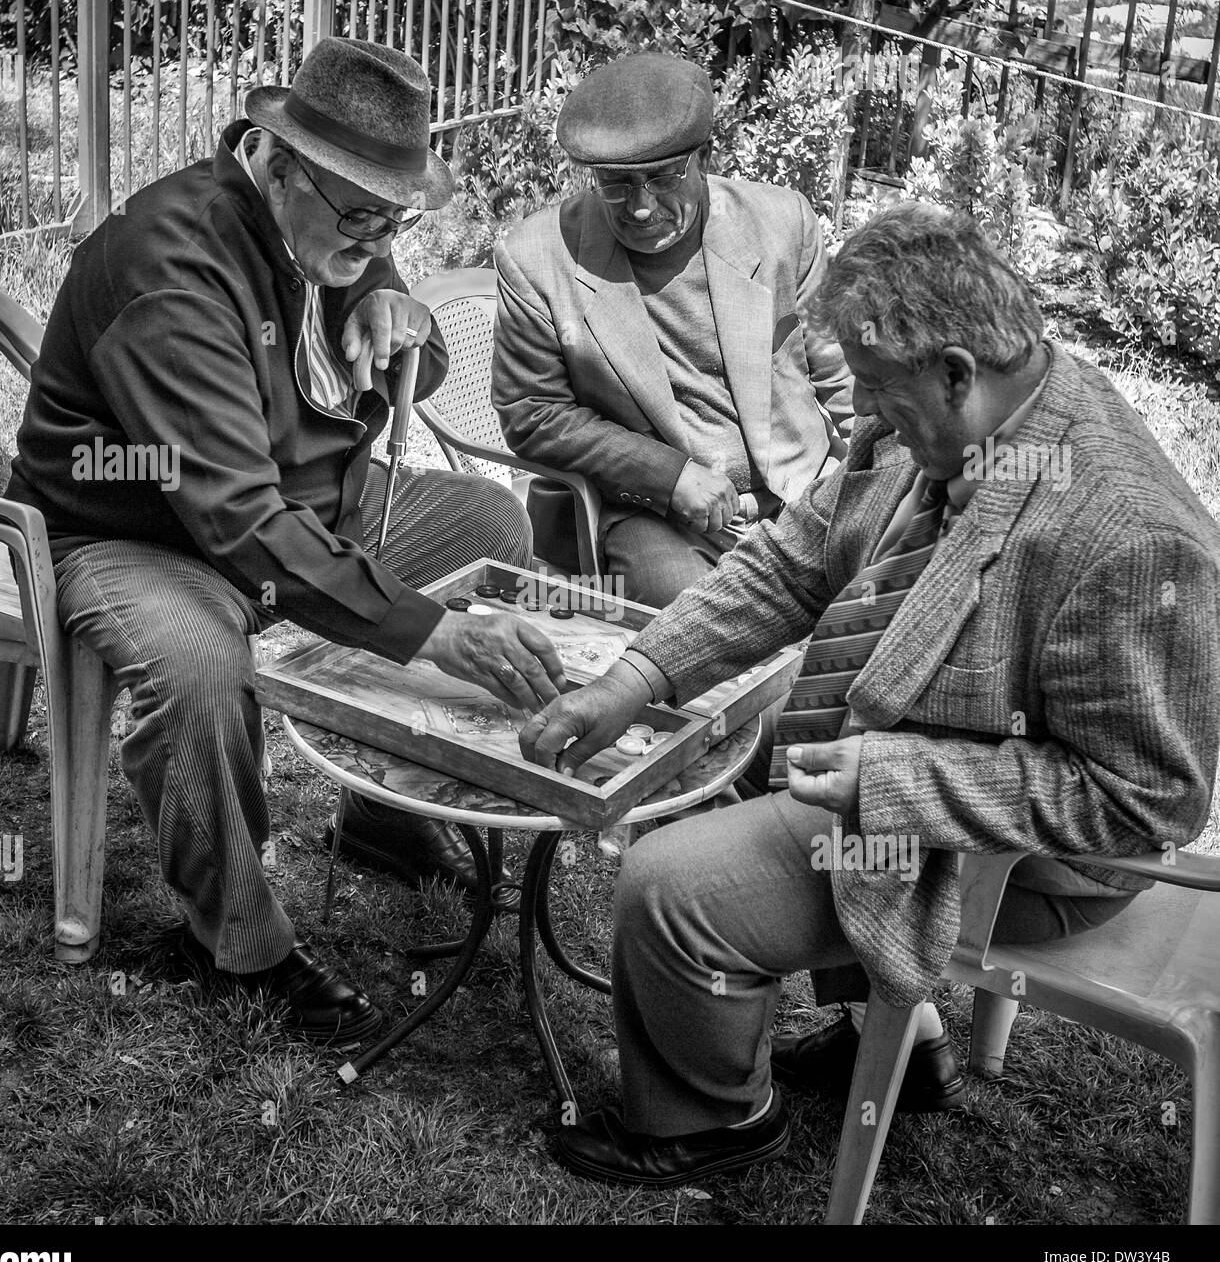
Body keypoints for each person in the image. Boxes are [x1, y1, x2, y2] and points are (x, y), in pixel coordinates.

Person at [518, 202, 1220, 1187]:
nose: (859, 417)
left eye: (878, 392)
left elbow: (1145, 801)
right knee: (727, 757)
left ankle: (707, 1125)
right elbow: (792, 567)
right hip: (918, 771)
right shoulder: (945, 419)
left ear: (955, 374)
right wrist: (634, 679)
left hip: (1015, 864)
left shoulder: (1128, 534)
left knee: (670, 883)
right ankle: (901, 1034)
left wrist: (894, 781)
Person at [7, 37, 564, 1044]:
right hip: (137, 528)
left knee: (490, 524)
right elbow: (240, 522)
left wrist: (405, 318)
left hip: (295, 506)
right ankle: (241, 946)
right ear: (275, 156)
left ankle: (386, 814)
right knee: (199, 664)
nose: (375, 237)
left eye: (393, 219)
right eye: (360, 216)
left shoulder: (338, 218)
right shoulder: (168, 274)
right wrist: (433, 633)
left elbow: (403, 349)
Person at [491, 51, 853, 609]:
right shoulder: (537, 259)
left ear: (705, 158)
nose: (639, 208)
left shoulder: (784, 225)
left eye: (663, 178)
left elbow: (844, 376)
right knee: (697, 626)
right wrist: (666, 474)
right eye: (615, 184)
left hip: (804, 495)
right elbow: (532, 413)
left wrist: (876, 477)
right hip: (654, 514)